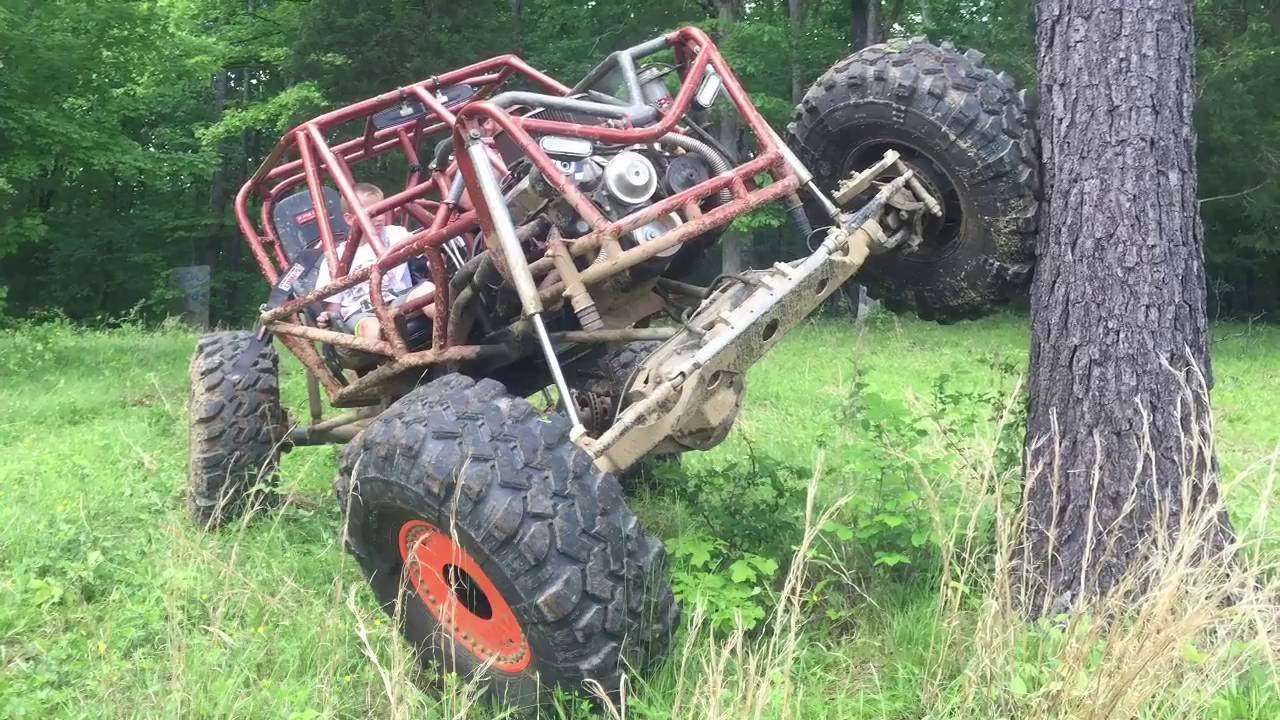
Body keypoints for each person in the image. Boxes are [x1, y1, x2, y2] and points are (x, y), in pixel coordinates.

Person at [314, 182, 423, 344]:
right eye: (370, 214)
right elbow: (333, 306)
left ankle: (454, 339)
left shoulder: (396, 235)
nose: (379, 218)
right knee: (371, 328)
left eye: (381, 210)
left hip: (398, 300)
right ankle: (397, 364)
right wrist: (328, 317)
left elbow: (425, 249)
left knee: (428, 291)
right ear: (350, 219)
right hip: (363, 312)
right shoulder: (335, 259)